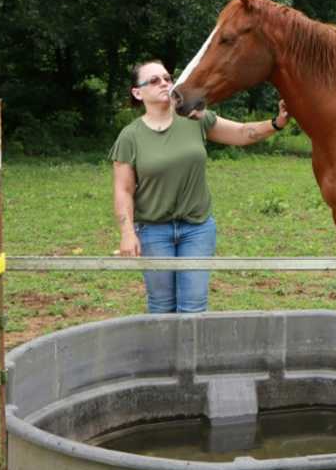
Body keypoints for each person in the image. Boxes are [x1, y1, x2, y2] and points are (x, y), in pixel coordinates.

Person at [109, 59, 288, 313]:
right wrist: (127, 233)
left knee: (193, 307)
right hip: (153, 231)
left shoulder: (195, 118)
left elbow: (242, 133)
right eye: (154, 80)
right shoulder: (130, 136)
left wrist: (276, 123)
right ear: (138, 93)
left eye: (167, 78)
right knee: (161, 307)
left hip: (197, 229)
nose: (164, 83)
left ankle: (190, 342)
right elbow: (123, 190)